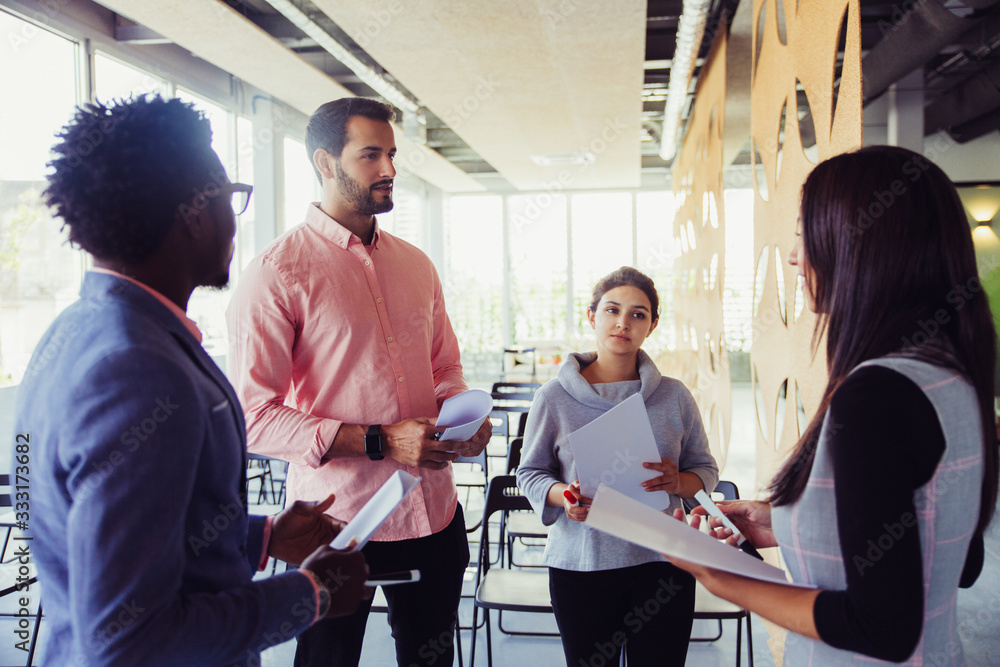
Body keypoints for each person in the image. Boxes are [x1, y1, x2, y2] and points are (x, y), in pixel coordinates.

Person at [16, 96, 371, 667]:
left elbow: (112, 540)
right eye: (233, 198)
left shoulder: (82, 328)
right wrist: (311, 594)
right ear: (195, 212)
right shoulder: (139, 370)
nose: (238, 219)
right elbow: (128, 637)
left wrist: (257, 537)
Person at [672, 145, 998, 664]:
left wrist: (721, 576)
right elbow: (955, 555)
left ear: (861, 244)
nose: (795, 256)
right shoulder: (948, 375)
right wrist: (781, 523)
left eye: (804, 234)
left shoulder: (875, 396)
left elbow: (882, 628)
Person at [226, 97, 490, 667]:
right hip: (337, 520)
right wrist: (382, 439)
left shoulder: (417, 264)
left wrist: (464, 419)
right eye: (370, 154)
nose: (389, 169)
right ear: (325, 162)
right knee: (327, 661)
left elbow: (444, 368)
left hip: (433, 511)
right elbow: (253, 417)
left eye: (392, 154)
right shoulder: (275, 274)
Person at [517, 266, 719, 666]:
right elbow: (531, 473)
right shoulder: (553, 398)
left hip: (665, 563)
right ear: (592, 316)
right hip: (583, 565)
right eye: (612, 310)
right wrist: (564, 495)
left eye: (638, 314)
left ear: (652, 325)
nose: (623, 323)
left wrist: (680, 481)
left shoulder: (675, 397)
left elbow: (706, 469)